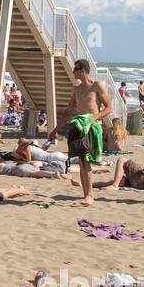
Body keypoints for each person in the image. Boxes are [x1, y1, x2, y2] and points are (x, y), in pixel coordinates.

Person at [48, 59, 111, 206]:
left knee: (86, 160)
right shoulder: (76, 89)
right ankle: (86, 195)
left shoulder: (97, 86)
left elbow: (109, 108)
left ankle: (89, 196)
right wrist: (56, 130)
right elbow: (69, 111)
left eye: (75, 69)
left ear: (82, 70)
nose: (73, 71)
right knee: (82, 161)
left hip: (91, 127)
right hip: (78, 127)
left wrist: (92, 119)